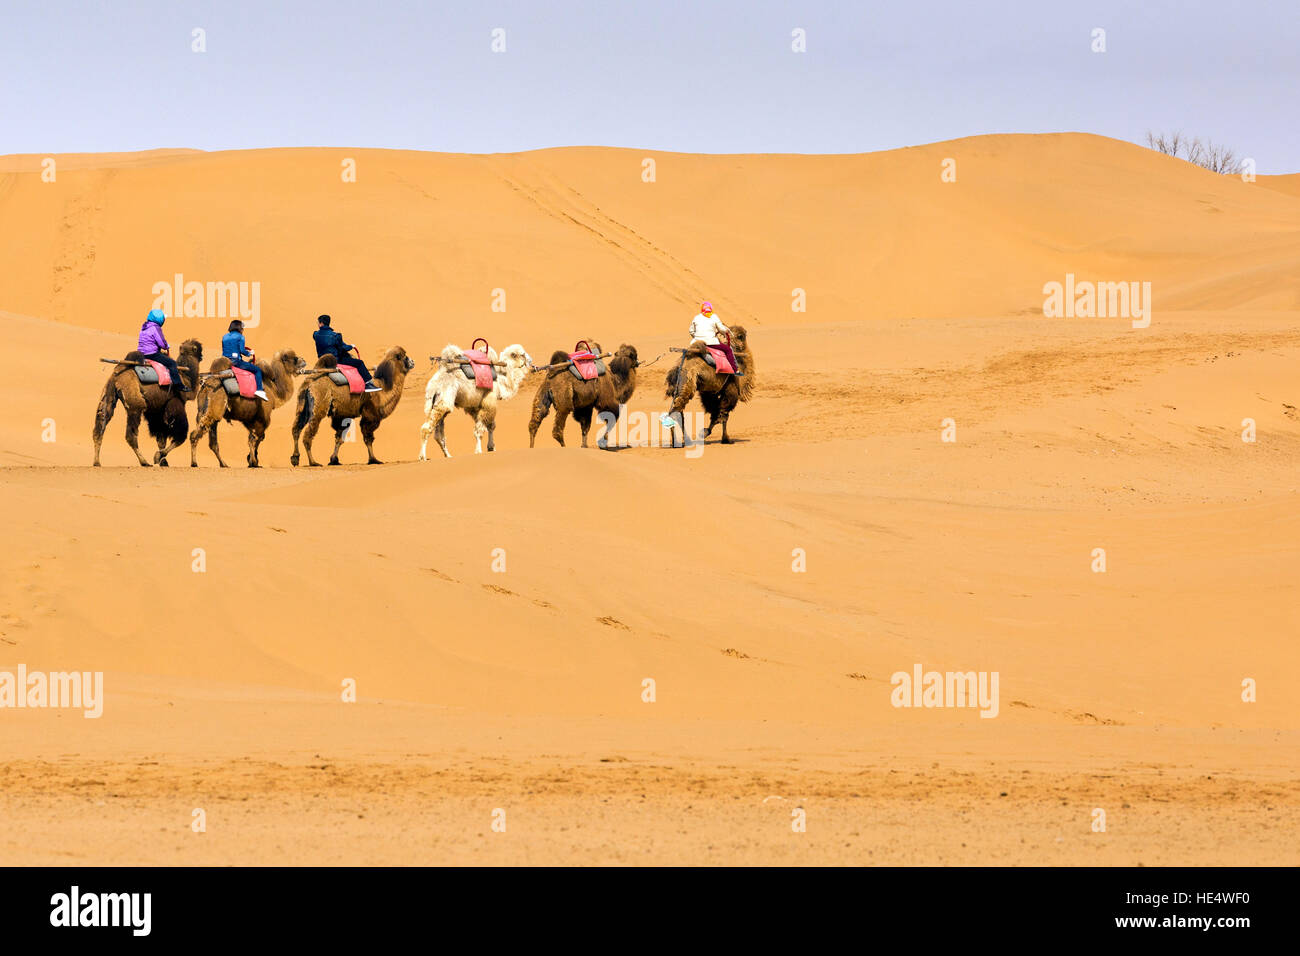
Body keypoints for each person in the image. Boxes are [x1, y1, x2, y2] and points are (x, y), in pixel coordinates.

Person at [312, 315, 381, 392]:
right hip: (335, 361)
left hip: (322, 361)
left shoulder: (315, 335)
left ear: (321, 324)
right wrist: (351, 346)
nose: (317, 324)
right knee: (360, 363)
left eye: (318, 323)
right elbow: (343, 347)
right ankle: (368, 384)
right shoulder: (335, 336)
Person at [137, 309, 187, 393]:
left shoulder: (144, 327)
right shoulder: (155, 328)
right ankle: (178, 385)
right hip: (152, 354)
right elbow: (162, 343)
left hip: (140, 354)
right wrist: (167, 346)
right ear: (160, 320)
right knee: (172, 363)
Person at [221, 319, 268, 400]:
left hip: (224, 362)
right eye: (242, 328)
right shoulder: (241, 337)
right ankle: (259, 390)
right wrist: (250, 353)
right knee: (257, 370)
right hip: (236, 362)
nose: (243, 330)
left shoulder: (224, 336)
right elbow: (242, 350)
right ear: (239, 328)